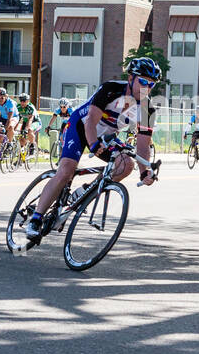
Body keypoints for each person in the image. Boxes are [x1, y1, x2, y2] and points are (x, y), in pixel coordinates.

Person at [23, 57, 160, 243]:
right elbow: (92, 121)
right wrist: (94, 145)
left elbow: (143, 145)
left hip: (106, 135)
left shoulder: (148, 109)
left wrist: (145, 171)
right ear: (130, 78)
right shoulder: (111, 89)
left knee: (126, 165)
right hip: (80, 126)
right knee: (66, 170)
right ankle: (35, 219)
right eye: (143, 81)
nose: (147, 87)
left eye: (152, 84)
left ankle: (85, 192)